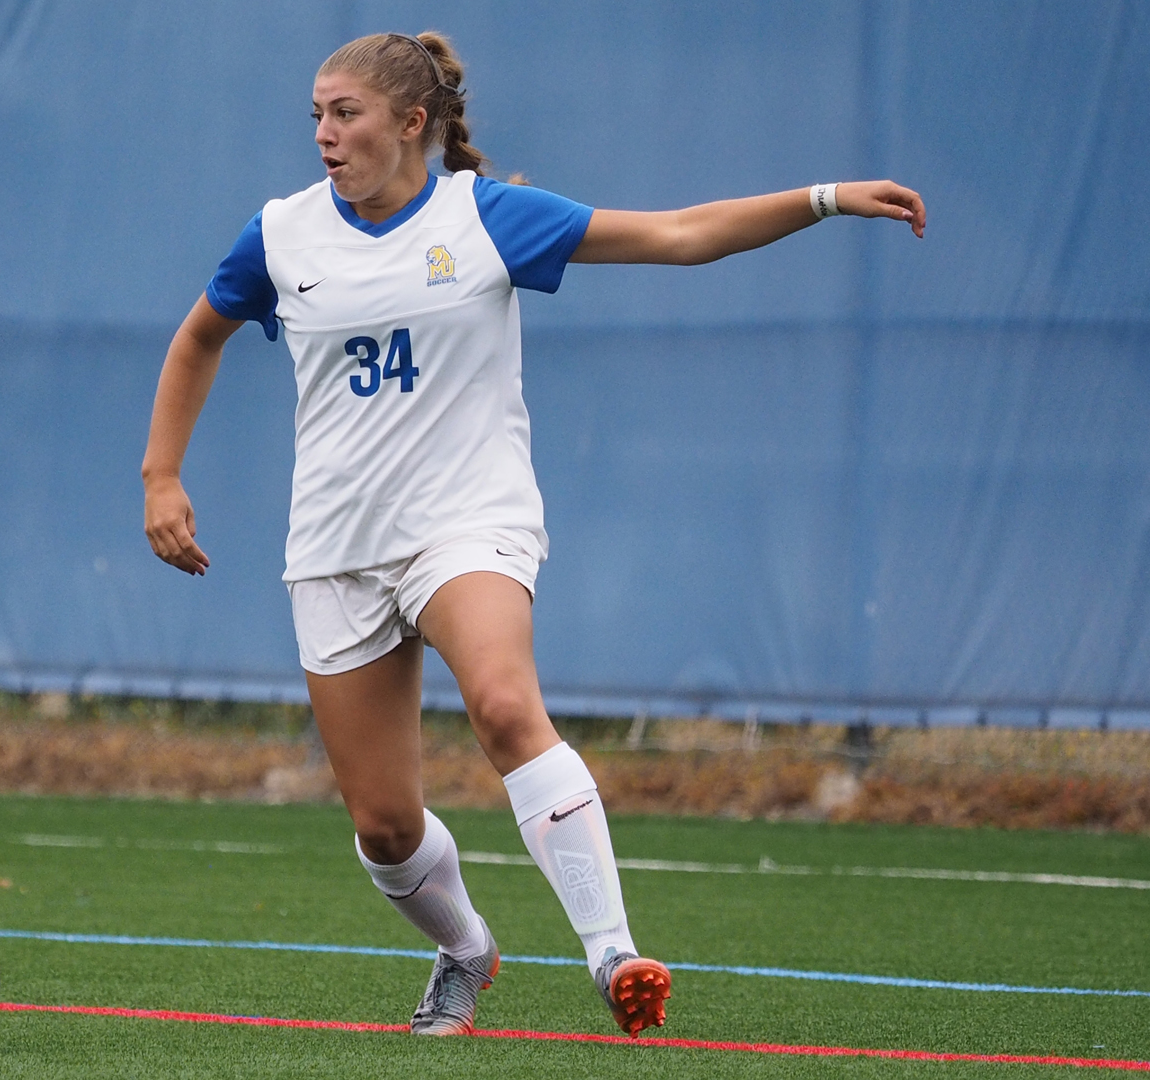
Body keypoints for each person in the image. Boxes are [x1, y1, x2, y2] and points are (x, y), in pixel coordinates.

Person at [142, 31, 924, 1037]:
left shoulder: (488, 218)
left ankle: (614, 956)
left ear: (411, 123)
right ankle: (466, 950)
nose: (326, 136)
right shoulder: (281, 235)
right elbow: (197, 337)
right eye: (318, 116)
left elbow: (681, 234)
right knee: (383, 829)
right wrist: (162, 475)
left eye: (347, 114)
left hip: (468, 520)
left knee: (508, 706)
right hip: (337, 546)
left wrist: (821, 197)